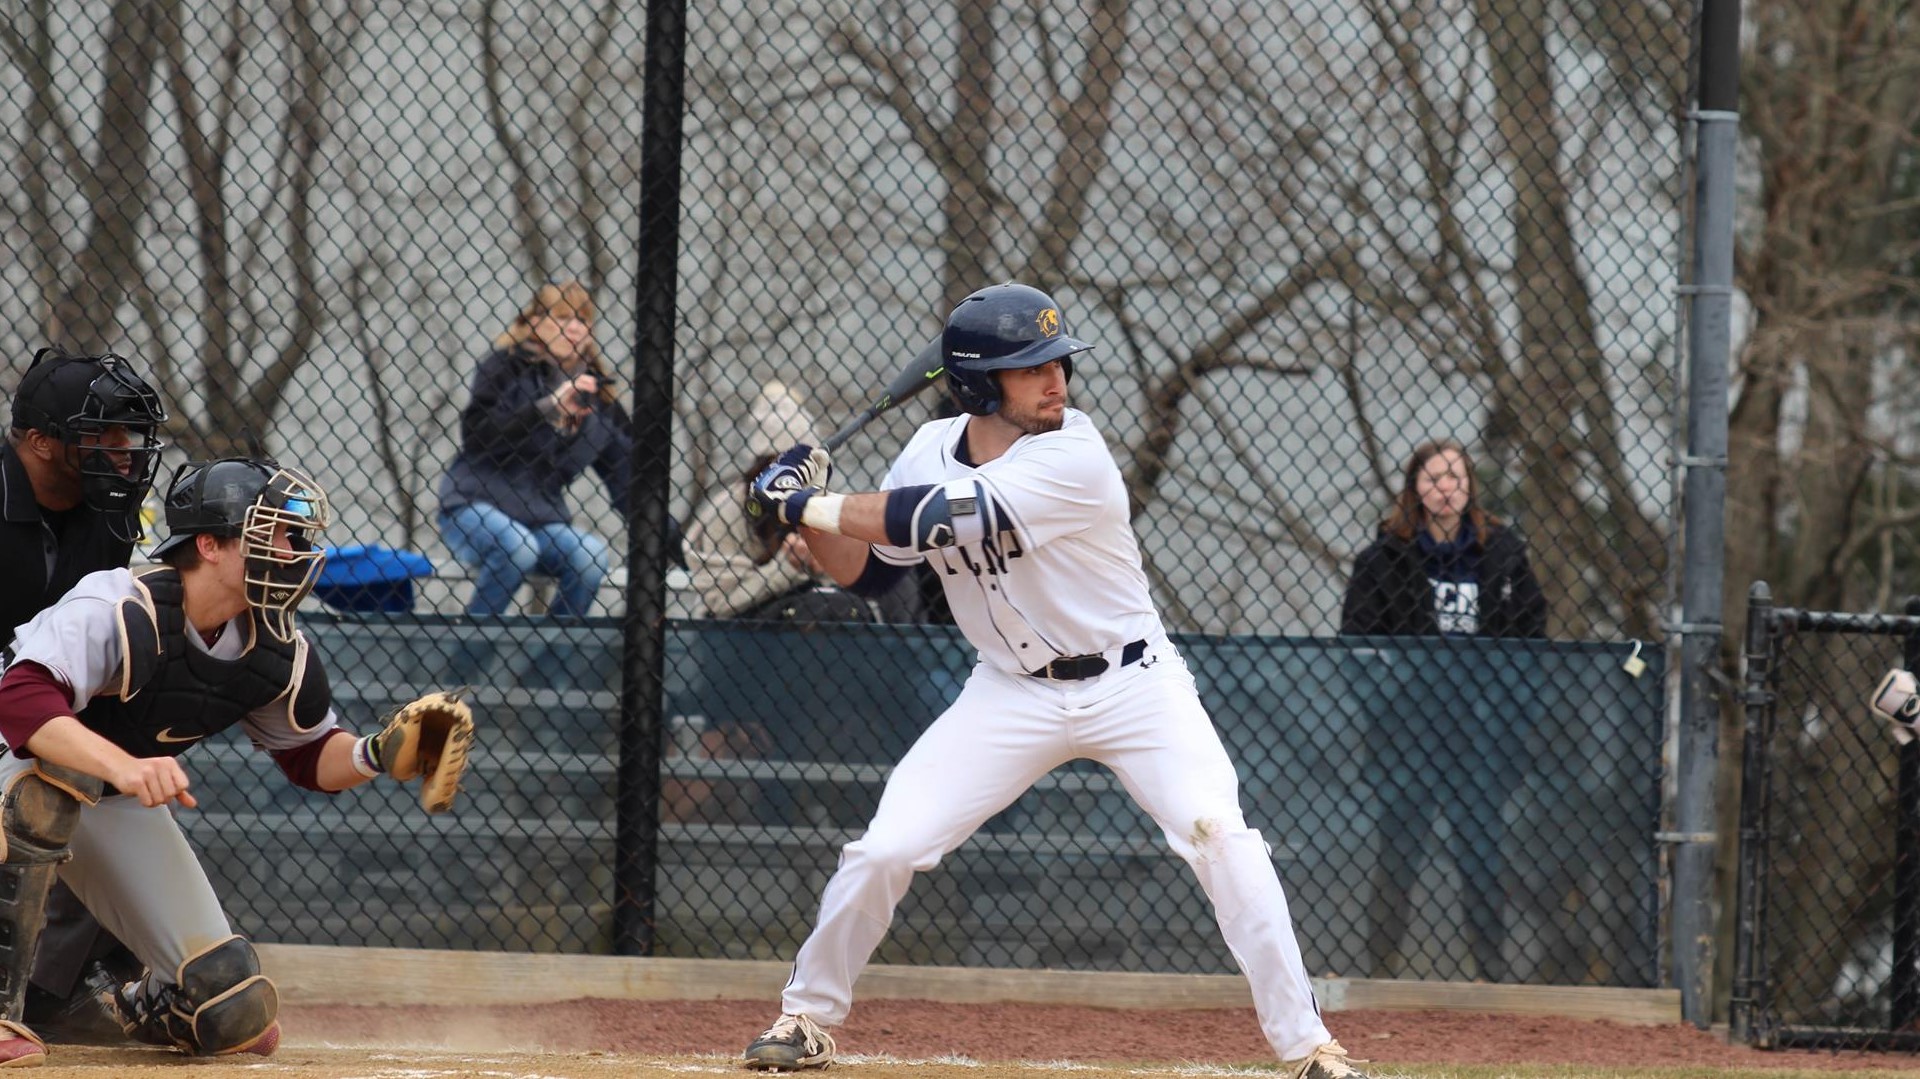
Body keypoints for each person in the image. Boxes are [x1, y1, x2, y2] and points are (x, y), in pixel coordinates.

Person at [736, 283, 1377, 1079]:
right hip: (1008, 690)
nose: (1056, 380)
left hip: (1133, 684)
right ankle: (805, 1017)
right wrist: (800, 514)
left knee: (1222, 836)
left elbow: (923, 521)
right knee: (884, 847)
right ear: (975, 385)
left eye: (1057, 361)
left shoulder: (1076, 453)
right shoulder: (929, 448)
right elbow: (867, 571)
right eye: (1029, 366)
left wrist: (811, 497)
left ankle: (1310, 1047)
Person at [0, 456, 455, 1065]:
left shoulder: (272, 645)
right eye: (276, 533)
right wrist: (126, 767)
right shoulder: (119, 603)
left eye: (296, 537)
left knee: (226, 1007)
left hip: (103, 790)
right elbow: (23, 702)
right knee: (44, 797)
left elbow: (310, 755)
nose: (294, 551)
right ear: (210, 544)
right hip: (17, 763)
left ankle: (134, 1004)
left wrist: (377, 755)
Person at [0, 347, 168, 1041]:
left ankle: (55, 983)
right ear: (39, 442)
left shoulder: (109, 515)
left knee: (121, 744)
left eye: (129, 433)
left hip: (30, 700)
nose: (124, 451)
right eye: (102, 434)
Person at [1338, 438, 1547, 982]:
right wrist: (1396, 704)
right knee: (1398, 855)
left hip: (1481, 740)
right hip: (1408, 740)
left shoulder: (1503, 554)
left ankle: (1490, 975)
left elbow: (1533, 643)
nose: (1445, 488)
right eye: (1432, 479)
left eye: (1455, 477)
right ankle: (1380, 971)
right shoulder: (1383, 559)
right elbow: (1356, 648)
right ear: (1415, 489)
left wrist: (1507, 718)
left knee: (1482, 854)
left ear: (1470, 485)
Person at [437, 279, 632, 619]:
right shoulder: (504, 366)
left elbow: (630, 480)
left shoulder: (599, 401)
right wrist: (548, 408)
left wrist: (679, 546)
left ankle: (544, 670)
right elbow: (477, 436)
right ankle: (463, 663)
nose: (573, 328)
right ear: (534, 322)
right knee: (517, 548)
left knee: (590, 557)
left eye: (582, 320)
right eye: (561, 317)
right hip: (474, 504)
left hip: (541, 516)